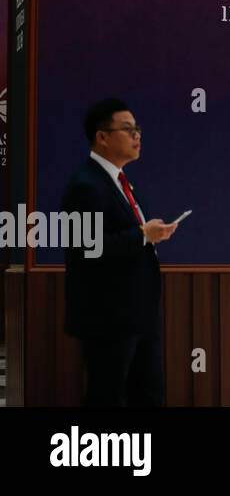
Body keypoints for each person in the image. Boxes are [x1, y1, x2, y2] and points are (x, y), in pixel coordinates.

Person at [61, 99, 178, 406]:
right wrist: (142, 234)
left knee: (148, 393)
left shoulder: (122, 182)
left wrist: (150, 236)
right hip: (109, 317)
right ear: (102, 137)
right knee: (108, 396)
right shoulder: (85, 186)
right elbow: (87, 247)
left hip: (138, 312)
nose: (137, 136)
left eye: (137, 129)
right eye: (128, 130)